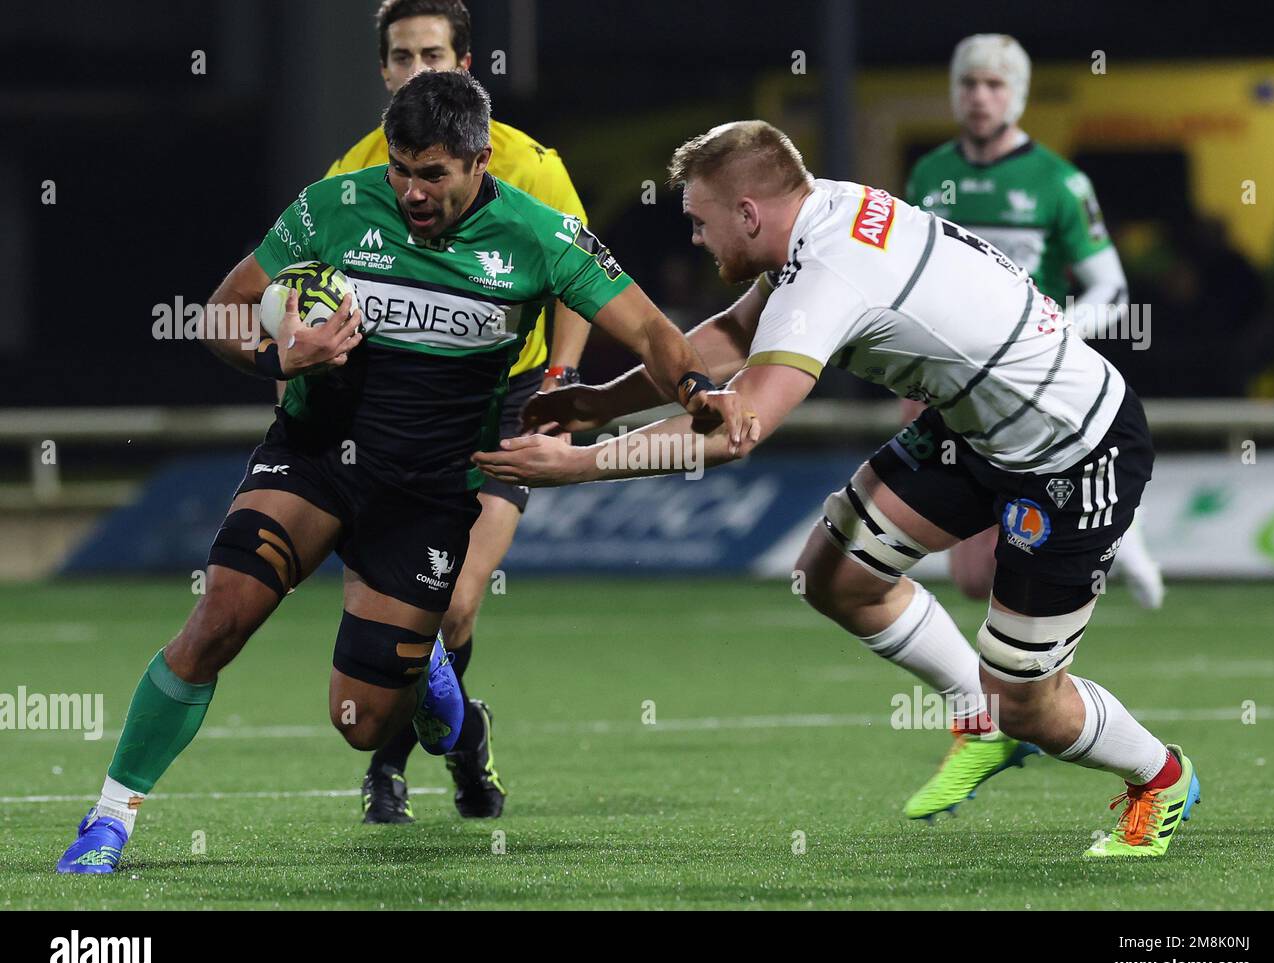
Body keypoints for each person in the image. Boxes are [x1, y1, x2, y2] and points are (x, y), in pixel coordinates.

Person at [55, 73, 745, 874]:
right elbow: (221, 310)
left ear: (480, 160)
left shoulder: (541, 237)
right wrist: (282, 355)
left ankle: (452, 716)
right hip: (314, 456)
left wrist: (697, 390)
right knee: (218, 618)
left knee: (360, 720)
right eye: (401, 169)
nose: (412, 192)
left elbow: (656, 333)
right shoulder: (335, 207)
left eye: (433, 174)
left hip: (425, 494)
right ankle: (108, 820)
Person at [475, 121, 1201, 856]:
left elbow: (737, 432)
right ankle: (976, 718)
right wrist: (601, 402)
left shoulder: (829, 272)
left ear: (749, 213)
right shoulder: (826, 211)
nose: (694, 239)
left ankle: (1161, 777)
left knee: (1031, 707)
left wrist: (580, 463)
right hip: (981, 426)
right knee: (835, 574)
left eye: (699, 221)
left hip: (1072, 450)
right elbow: (730, 335)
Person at [324, 0, 597, 825]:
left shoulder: (527, 164)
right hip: (393, 401)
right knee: (393, 613)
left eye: (433, 55)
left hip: (501, 397)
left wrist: (563, 374)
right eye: (402, 57)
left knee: (460, 602)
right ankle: (463, 740)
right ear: (382, 69)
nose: (417, 71)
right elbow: (318, 290)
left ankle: (394, 763)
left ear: (466, 65)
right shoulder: (353, 172)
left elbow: (582, 273)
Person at [906, 34, 1165, 610]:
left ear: (1017, 95)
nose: (980, 97)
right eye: (969, 83)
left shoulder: (1058, 182)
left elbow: (1112, 287)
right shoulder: (929, 174)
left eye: (994, 84)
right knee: (973, 579)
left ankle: (1119, 530)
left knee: (1019, 563)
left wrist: (1054, 332)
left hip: (1030, 377)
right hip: (953, 374)